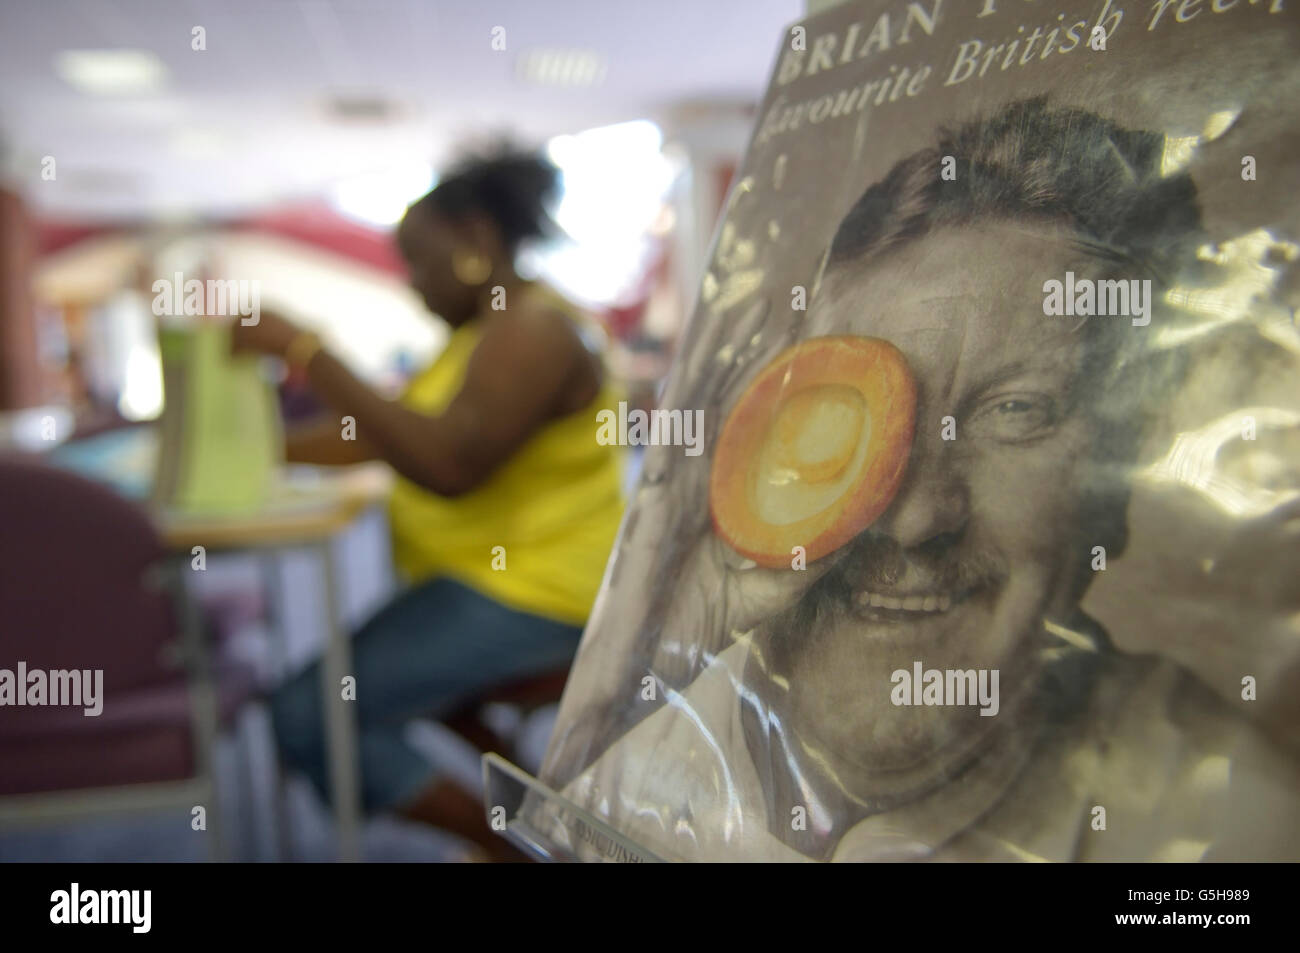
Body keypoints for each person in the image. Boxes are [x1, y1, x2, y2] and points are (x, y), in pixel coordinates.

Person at [537, 98, 1300, 861]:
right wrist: (637, 676)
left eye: (1018, 409)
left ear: (1126, 462)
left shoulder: (1233, 821)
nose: (911, 515)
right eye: (848, 412)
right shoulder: (642, 701)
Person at [232, 150, 625, 860]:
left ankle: (526, 849)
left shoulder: (532, 331)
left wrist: (306, 350)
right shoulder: (481, 337)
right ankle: (539, 819)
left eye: (418, 261)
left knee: (307, 710)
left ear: (477, 239)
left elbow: (447, 463)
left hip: (536, 594)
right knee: (381, 687)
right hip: (485, 585)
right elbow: (376, 436)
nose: (413, 286)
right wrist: (248, 444)